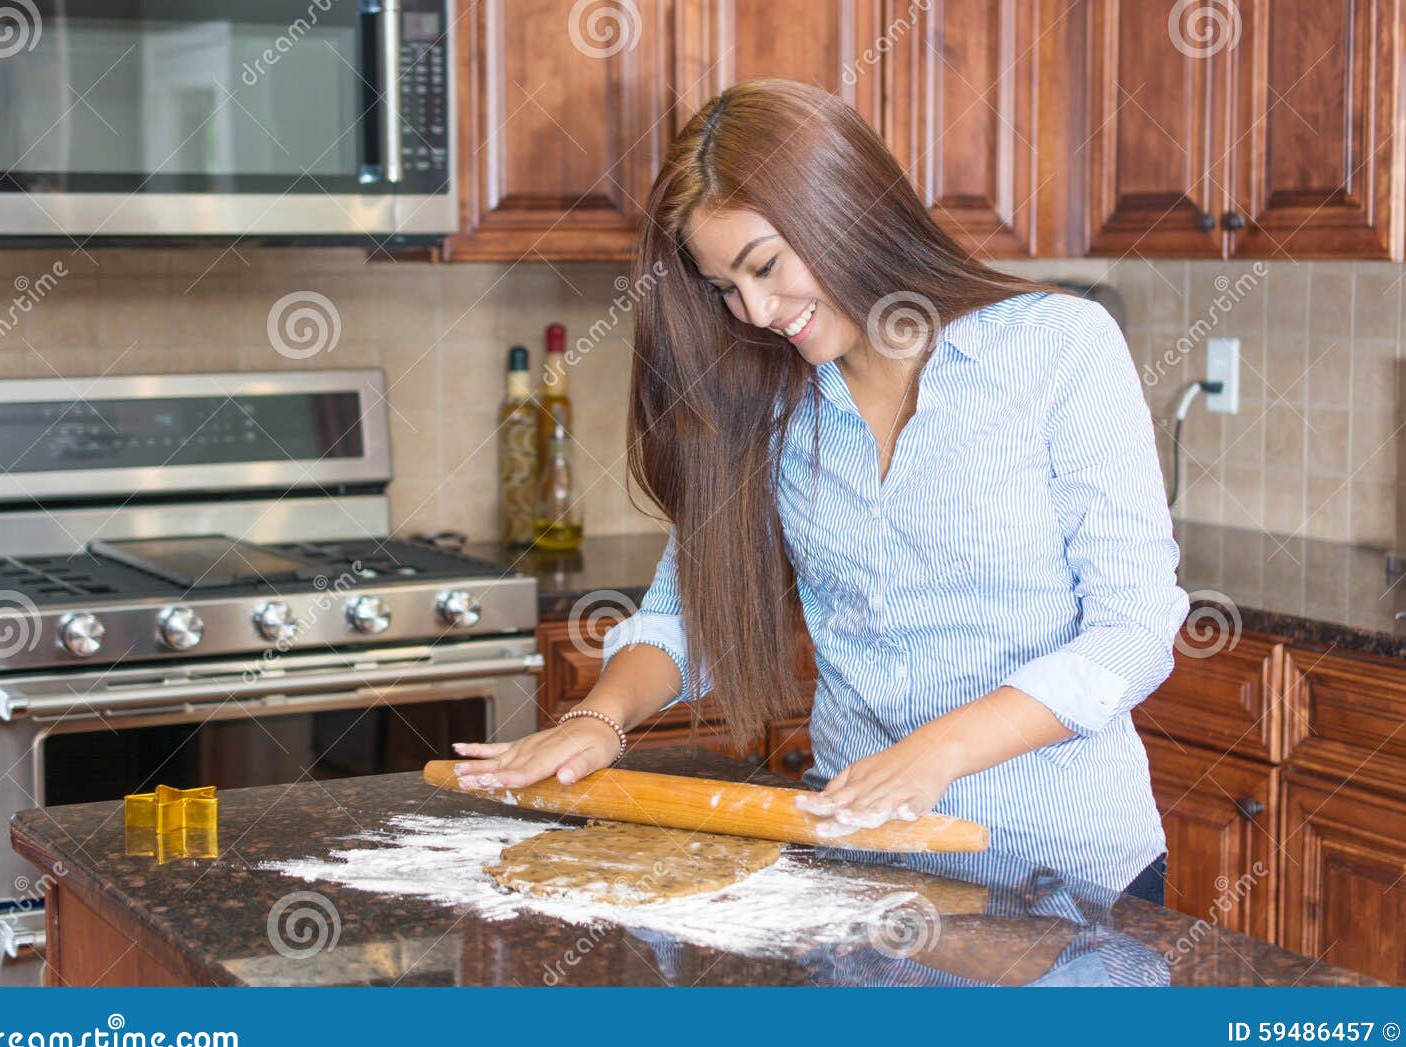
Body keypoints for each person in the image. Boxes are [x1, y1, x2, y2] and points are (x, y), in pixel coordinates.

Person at [453, 78, 1189, 897]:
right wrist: (599, 719)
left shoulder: (1058, 348)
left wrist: (940, 748)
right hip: (860, 873)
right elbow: (686, 608)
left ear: (846, 206)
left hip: (1069, 876)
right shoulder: (770, 402)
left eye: (764, 266)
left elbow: (1134, 627)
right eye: (726, 289)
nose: (757, 311)